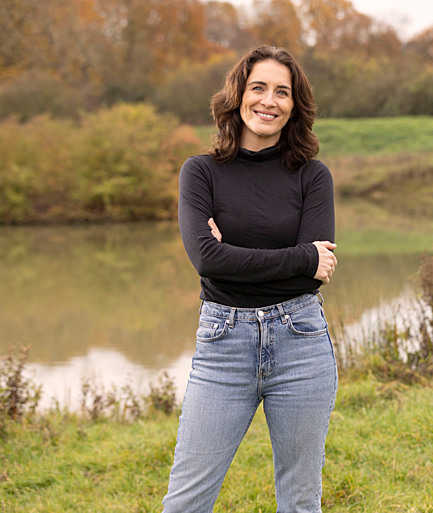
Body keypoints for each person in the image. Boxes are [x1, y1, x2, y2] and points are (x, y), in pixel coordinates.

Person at [162, 45, 338, 513]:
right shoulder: (200, 172)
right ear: (238, 95)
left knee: (301, 501)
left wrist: (234, 255)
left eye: (283, 92)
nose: (269, 100)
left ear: (294, 106)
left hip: (302, 342)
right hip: (224, 344)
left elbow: (316, 277)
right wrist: (300, 256)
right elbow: (207, 260)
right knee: (186, 502)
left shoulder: (312, 177)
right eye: (258, 87)